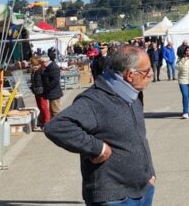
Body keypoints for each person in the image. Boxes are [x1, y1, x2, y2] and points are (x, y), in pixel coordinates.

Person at [44, 45, 156, 206]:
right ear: (131, 75)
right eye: (147, 71)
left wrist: (149, 173)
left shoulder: (133, 94)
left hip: (143, 189)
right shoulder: (95, 100)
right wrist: (98, 148)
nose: (151, 75)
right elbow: (56, 126)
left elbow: (139, 138)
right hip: (114, 198)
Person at [40, 54, 64, 119]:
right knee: (52, 111)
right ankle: (54, 126)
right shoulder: (48, 67)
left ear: (44, 62)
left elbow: (55, 81)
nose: (40, 64)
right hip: (51, 93)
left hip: (54, 93)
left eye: (41, 63)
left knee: (55, 111)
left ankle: (57, 127)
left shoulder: (53, 67)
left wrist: (47, 88)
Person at [29, 55, 51, 126]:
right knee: (40, 107)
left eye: (35, 65)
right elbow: (33, 81)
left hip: (42, 92)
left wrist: (45, 90)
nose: (34, 66)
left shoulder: (42, 70)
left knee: (44, 107)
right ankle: (43, 121)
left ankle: (47, 122)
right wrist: (32, 87)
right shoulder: (33, 71)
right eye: (33, 65)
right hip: (36, 91)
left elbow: (45, 81)